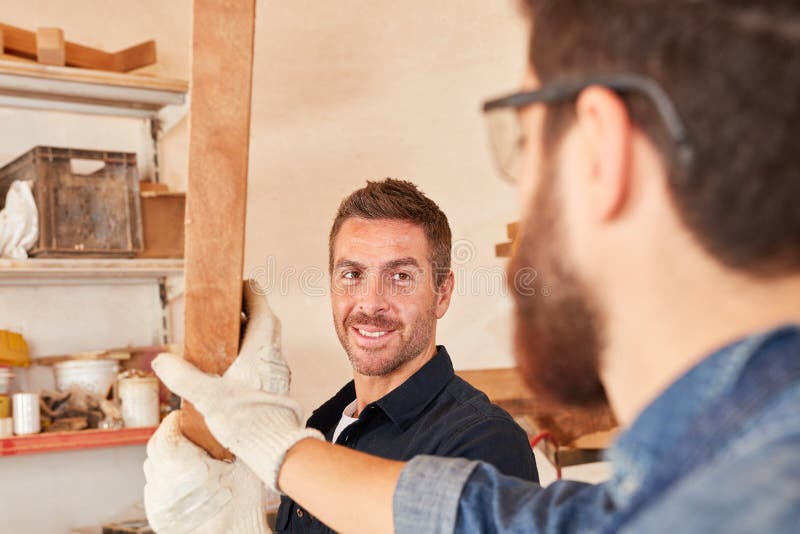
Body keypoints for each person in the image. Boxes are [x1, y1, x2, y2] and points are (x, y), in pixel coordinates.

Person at [145, 0, 800, 532]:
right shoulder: (692, 488)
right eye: (351, 273)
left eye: (522, 139)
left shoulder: (735, 493)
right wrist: (269, 459)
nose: (370, 298)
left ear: (602, 151)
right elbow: (486, 520)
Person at [273, 179, 538, 532]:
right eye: (352, 274)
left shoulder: (484, 444)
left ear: (442, 293)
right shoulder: (323, 426)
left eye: (400, 276)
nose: (370, 303)